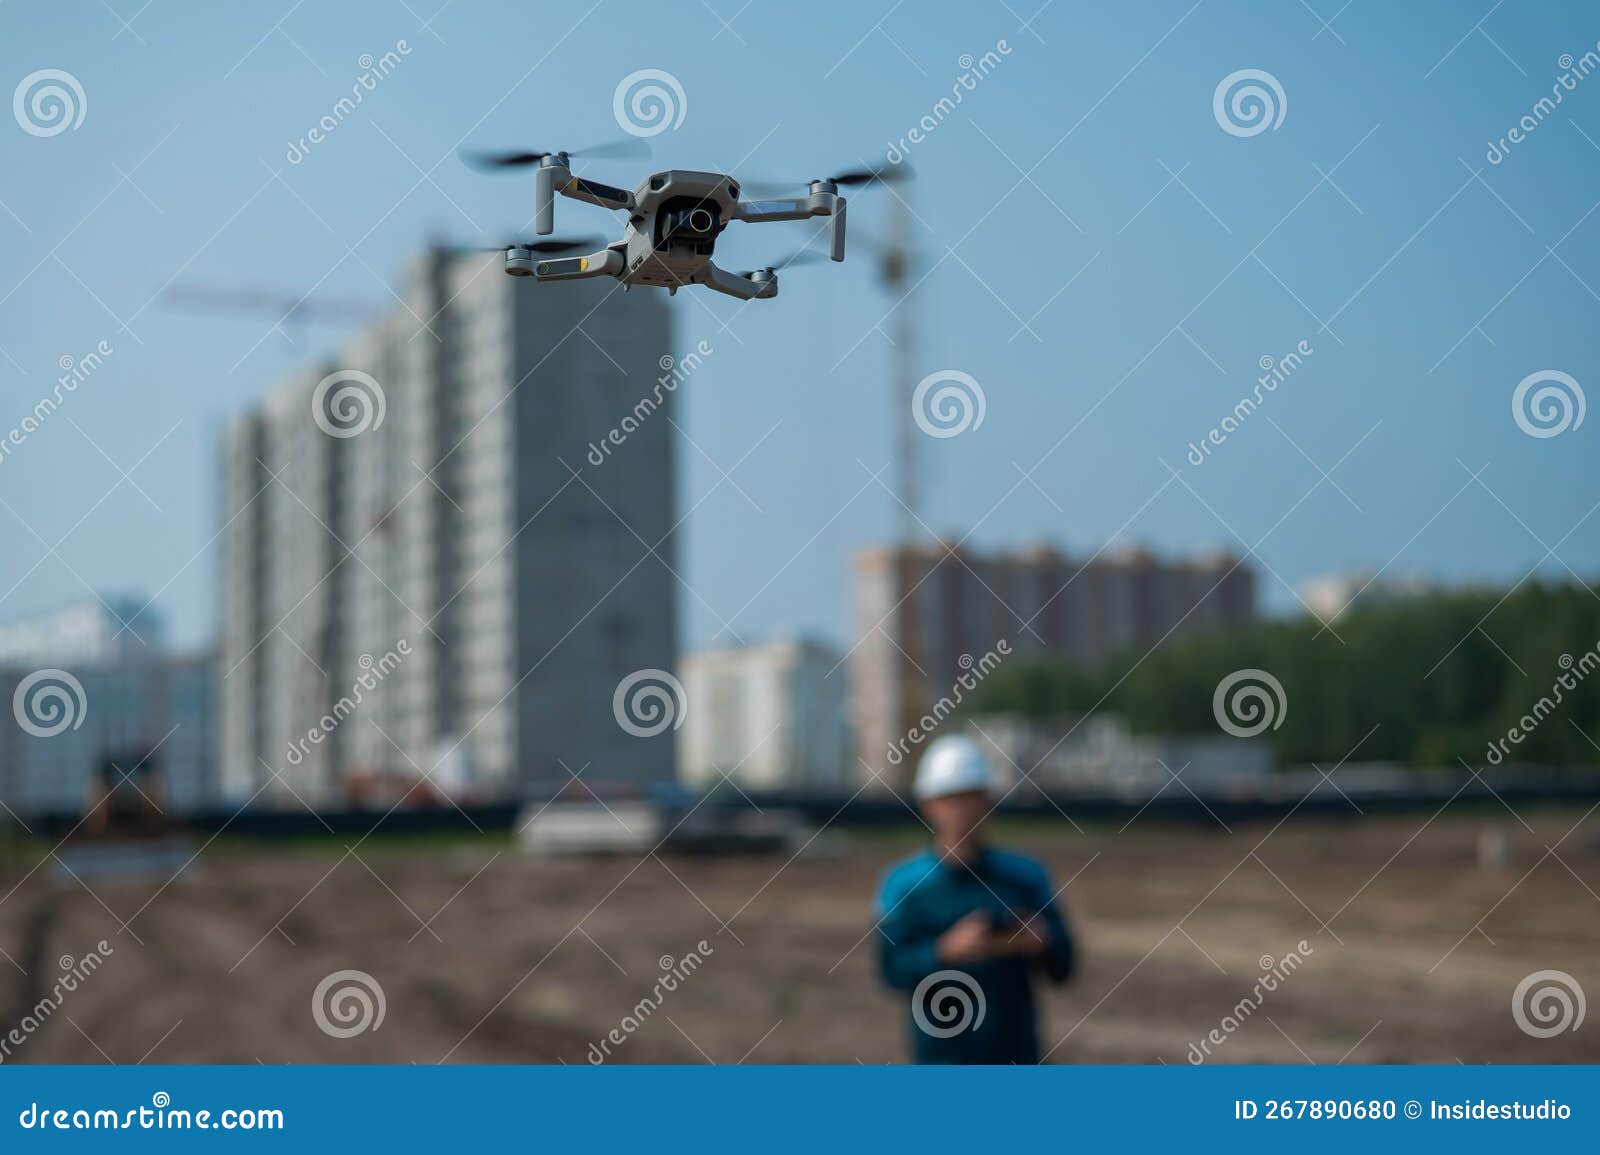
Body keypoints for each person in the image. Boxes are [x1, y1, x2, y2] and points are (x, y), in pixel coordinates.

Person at [875, 733, 1076, 1064]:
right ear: (929, 805)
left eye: (973, 797)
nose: (964, 811)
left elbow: (1065, 966)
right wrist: (943, 951)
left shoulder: (1025, 877)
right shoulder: (904, 886)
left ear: (988, 802)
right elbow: (890, 970)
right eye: (952, 799)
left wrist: (1043, 941)